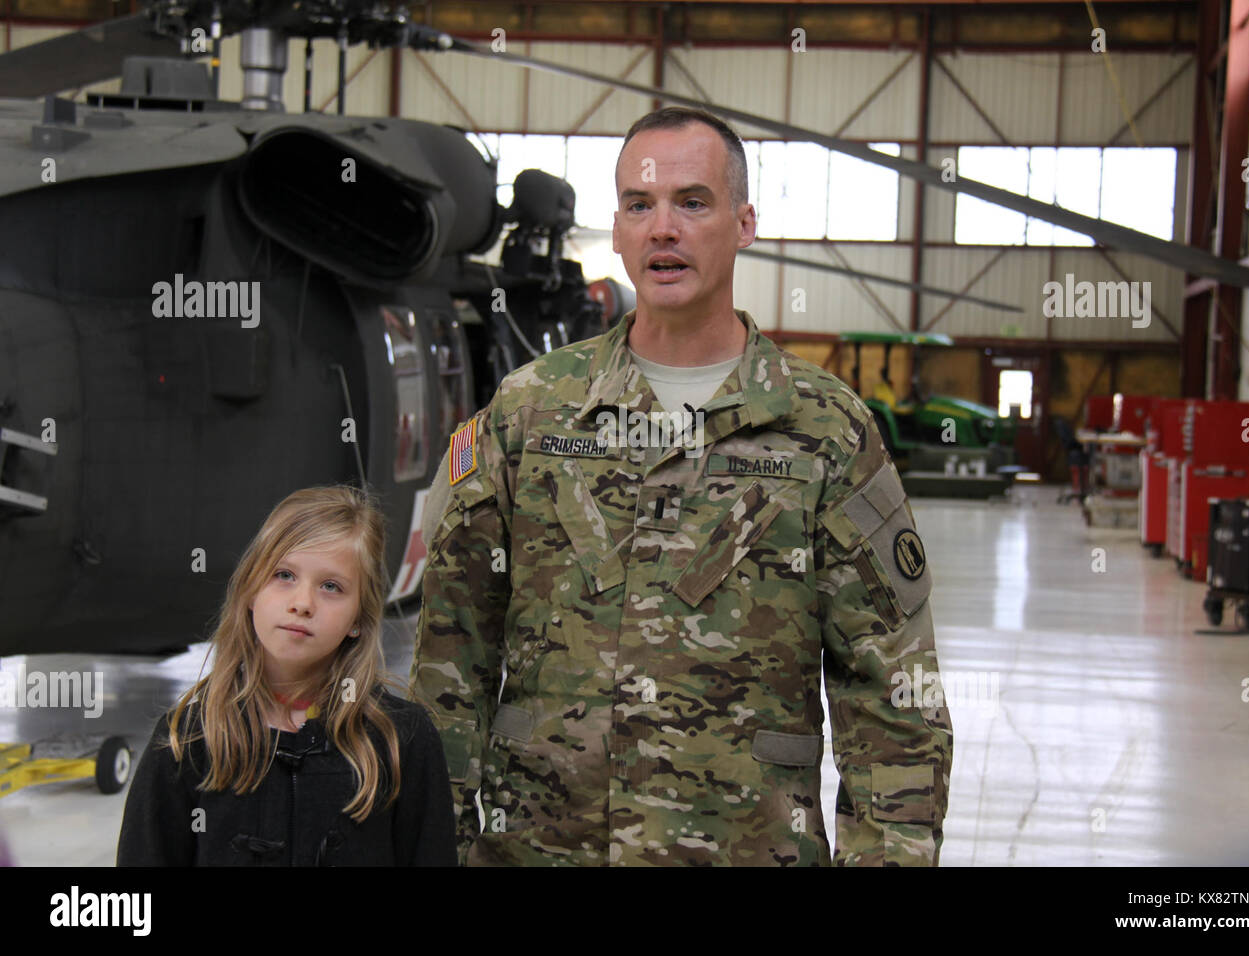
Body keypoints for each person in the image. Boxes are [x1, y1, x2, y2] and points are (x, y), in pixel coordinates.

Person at [412, 107, 953, 866]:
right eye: (640, 204)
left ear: (744, 222)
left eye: (692, 202)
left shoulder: (826, 429)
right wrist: (443, 845)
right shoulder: (531, 410)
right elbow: (451, 657)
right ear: (621, 228)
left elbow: (892, 692)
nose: (662, 227)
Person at [118, 485, 456, 866]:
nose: (302, 603)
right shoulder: (187, 742)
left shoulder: (403, 741)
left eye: (331, 586)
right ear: (249, 591)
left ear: (358, 620)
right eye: (283, 575)